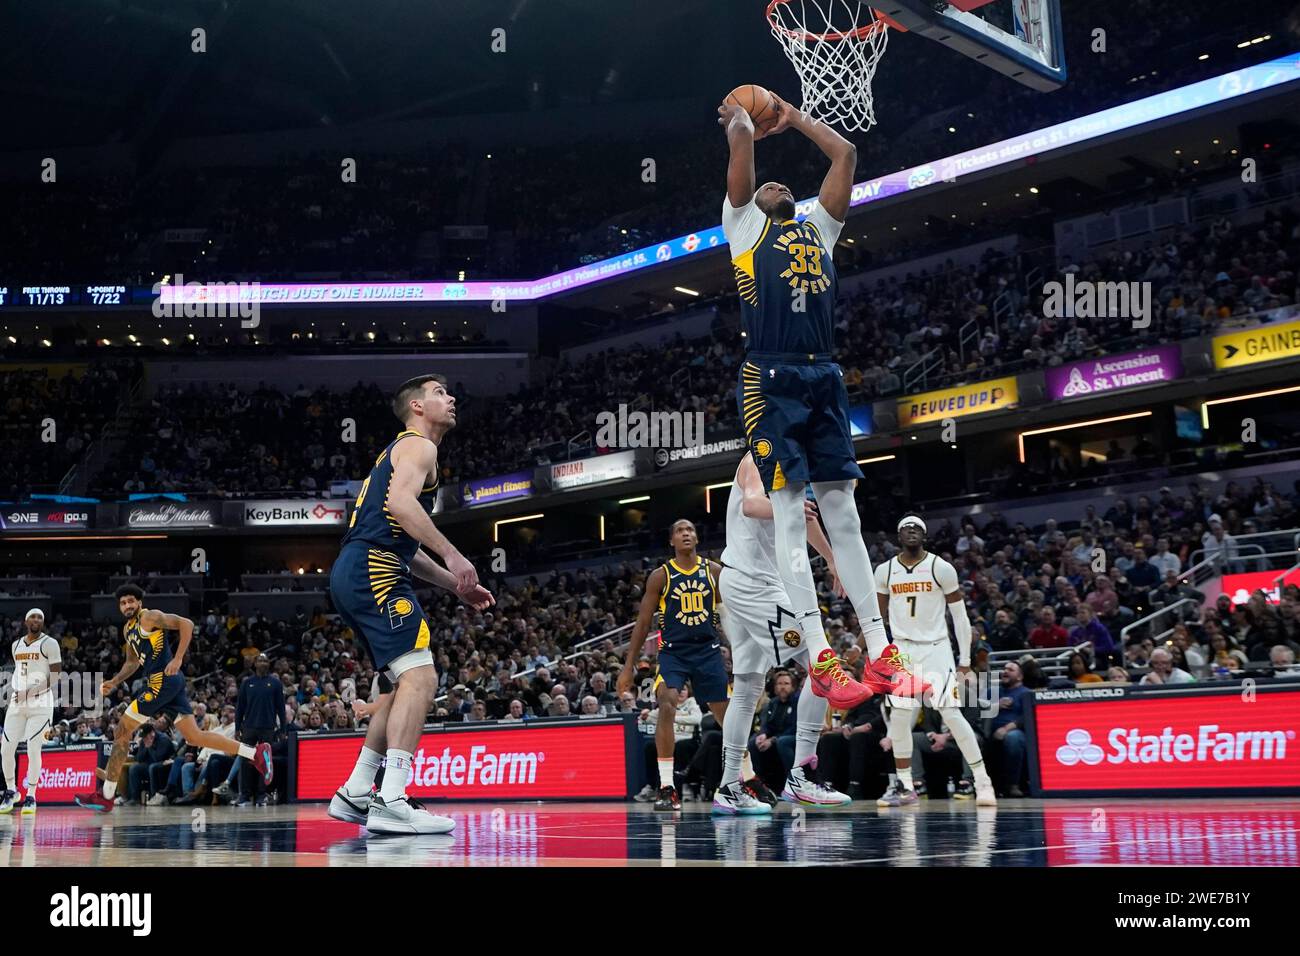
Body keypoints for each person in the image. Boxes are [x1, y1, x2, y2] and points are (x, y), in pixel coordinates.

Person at [717, 91, 922, 705]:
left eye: (783, 185)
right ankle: (822, 655)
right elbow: (743, 156)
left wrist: (794, 115)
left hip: (825, 376)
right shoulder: (745, 226)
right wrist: (745, 121)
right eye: (764, 187)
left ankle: (883, 652)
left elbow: (847, 153)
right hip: (771, 378)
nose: (774, 185)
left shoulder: (820, 232)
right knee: (787, 511)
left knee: (847, 516)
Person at [326, 374, 494, 835]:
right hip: (374, 570)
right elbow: (402, 506)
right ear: (417, 407)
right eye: (439, 392)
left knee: (402, 685)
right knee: (422, 675)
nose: (451, 397)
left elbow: (404, 542)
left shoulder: (399, 452)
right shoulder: (420, 447)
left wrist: (453, 585)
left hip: (356, 568)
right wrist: (455, 554)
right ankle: (392, 798)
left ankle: (358, 791)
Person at [713, 453, 921, 815]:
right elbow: (751, 504)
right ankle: (801, 775)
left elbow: (802, 519)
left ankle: (729, 786)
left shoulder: (796, 460)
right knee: (821, 665)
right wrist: (790, 511)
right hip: (754, 585)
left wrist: (831, 558)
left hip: (750, 580)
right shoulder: (759, 454)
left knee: (746, 687)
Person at [75, 585, 272, 812]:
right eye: (123, 603)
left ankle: (106, 795)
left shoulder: (150, 616)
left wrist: (178, 658)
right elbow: (131, 663)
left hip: (163, 681)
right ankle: (255, 753)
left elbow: (186, 624)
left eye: (131, 601)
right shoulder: (128, 629)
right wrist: (116, 681)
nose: (127, 605)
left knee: (122, 730)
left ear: (139, 602)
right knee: (194, 737)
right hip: (165, 684)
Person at [874, 516, 996, 808]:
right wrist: (879, 654)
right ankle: (904, 786)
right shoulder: (885, 571)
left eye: (917, 528)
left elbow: (960, 616)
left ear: (925, 536)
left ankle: (982, 781)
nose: (912, 531)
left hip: (936, 649)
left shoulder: (941, 567)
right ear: (898, 534)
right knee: (900, 720)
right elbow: (876, 619)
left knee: (952, 715)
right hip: (903, 651)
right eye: (906, 527)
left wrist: (965, 660)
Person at [617, 519, 732, 812]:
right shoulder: (660, 576)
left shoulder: (714, 571)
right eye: (680, 531)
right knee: (666, 703)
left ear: (696, 537)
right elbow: (643, 623)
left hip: (708, 651)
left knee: (727, 716)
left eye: (691, 530)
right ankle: (667, 786)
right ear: (671, 540)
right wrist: (628, 667)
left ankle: (745, 778)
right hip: (674, 653)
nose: (686, 534)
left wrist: (739, 648)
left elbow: (728, 614)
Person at [0, 609, 61, 814]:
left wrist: (31, 692)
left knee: (34, 749)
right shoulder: (15, 645)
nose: (36, 620)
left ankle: (31, 796)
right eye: (33, 617)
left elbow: (55, 677)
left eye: (40, 618)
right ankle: (11, 791)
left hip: (41, 703)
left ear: (42, 622)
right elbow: (20, 671)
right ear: (26, 621)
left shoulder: (50, 643)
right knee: (6, 749)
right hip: (18, 703)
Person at [235, 653, 284, 807]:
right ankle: (244, 795)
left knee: (265, 763)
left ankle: (261, 795)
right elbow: (240, 707)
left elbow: (280, 707)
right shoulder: (247, 683)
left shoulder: (275, 683)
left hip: (267, 728)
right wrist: (237, 727)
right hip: (249, 727)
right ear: (255, 663)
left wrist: (283, 728)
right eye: (260, 660)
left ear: (268, 664)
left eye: (265, 660)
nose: (263, 663)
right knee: (245, 762)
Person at [991, 661, 1030, 797]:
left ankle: (1013, 785)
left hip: (1015, 731)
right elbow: (977, 709)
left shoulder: (1026, 693)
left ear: (1020, 676)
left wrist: (1006, 729)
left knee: (1013, 738)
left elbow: (1027, 716)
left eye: (1011, 670)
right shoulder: (993, 691)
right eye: (1004, 669)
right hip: (988, 731)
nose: (1005, 671)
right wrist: (995, 705)